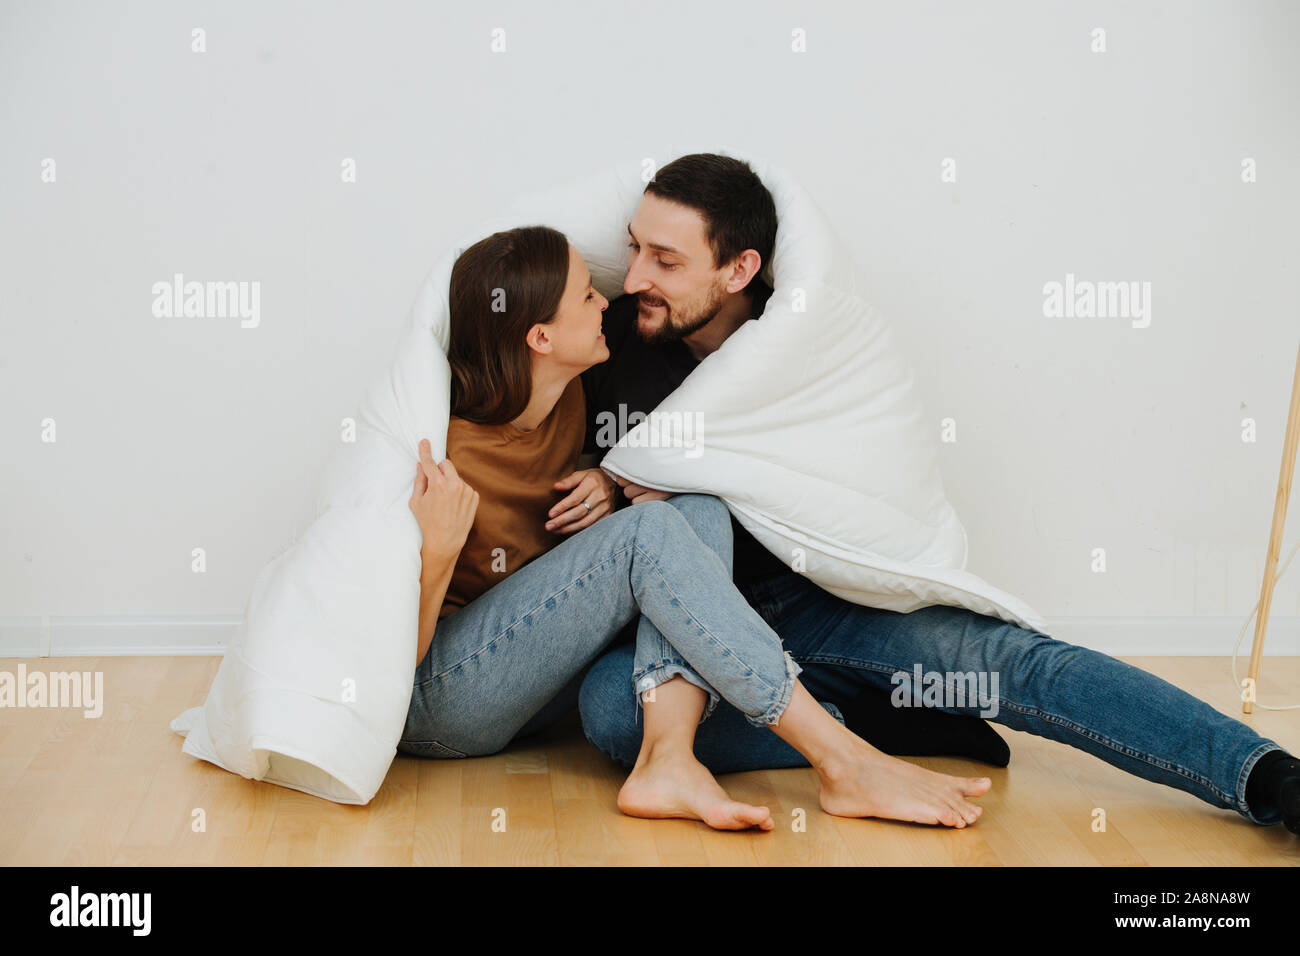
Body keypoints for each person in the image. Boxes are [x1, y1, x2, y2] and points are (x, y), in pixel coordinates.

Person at [576, 152, 1300, 834]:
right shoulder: (609, 338)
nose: (635, 275)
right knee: (612, 712)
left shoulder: (810, 340)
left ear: (740, 269)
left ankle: (1264, 776)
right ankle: (886, 722)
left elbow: (866, 472)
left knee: (1017, 664)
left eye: (665, 261)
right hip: (690, 619)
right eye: (634, 248)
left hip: (821, 600)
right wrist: (607, 491)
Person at [399, 223, 993, 830]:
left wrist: (604, 482)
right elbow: (389, 665)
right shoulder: (444, 458)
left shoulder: (571, 399)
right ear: (542, 336)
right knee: (649, 531)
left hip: (536, 684)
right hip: (444, 702)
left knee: (695, 505)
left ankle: (669, 758)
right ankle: (842, 760)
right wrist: (437, 555)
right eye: (587, 296)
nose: (609, 299)